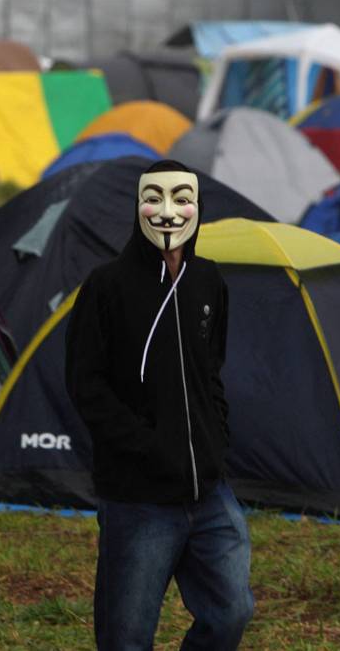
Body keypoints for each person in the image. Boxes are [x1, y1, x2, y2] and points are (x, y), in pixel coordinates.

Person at [65, 160, 255, 650]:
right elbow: (85, 385)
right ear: (137, 206)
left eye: (182, 199)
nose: (168, 212)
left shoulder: (209, 282)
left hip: (209, 492)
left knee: (232, 610)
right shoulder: (105, 287)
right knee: (125, 637)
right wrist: (146, 446)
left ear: (198, 208)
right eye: (155, 198)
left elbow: (210, 368)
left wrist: (215, 440)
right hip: (138, 499)